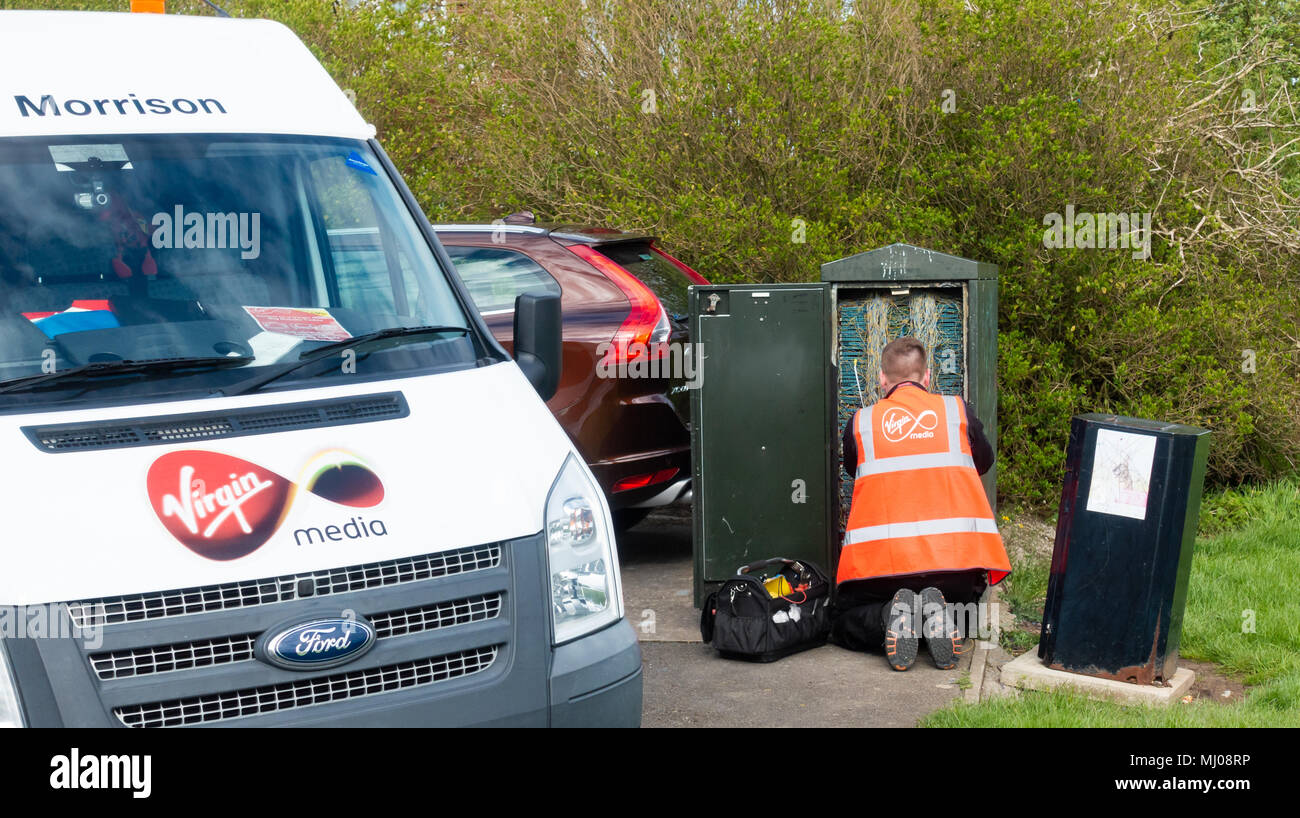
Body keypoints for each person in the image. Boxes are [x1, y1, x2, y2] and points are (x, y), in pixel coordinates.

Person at [831, 336, 1011, 671]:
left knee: (842, 621)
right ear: (926, 376)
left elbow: (854, 469)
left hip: (882, 573)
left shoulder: (861, 424)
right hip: (954, 571)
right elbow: (984, 461)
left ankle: (892, 614)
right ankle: (940, 617)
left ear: (882, 379)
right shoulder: (956, 412)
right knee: (965, 614)